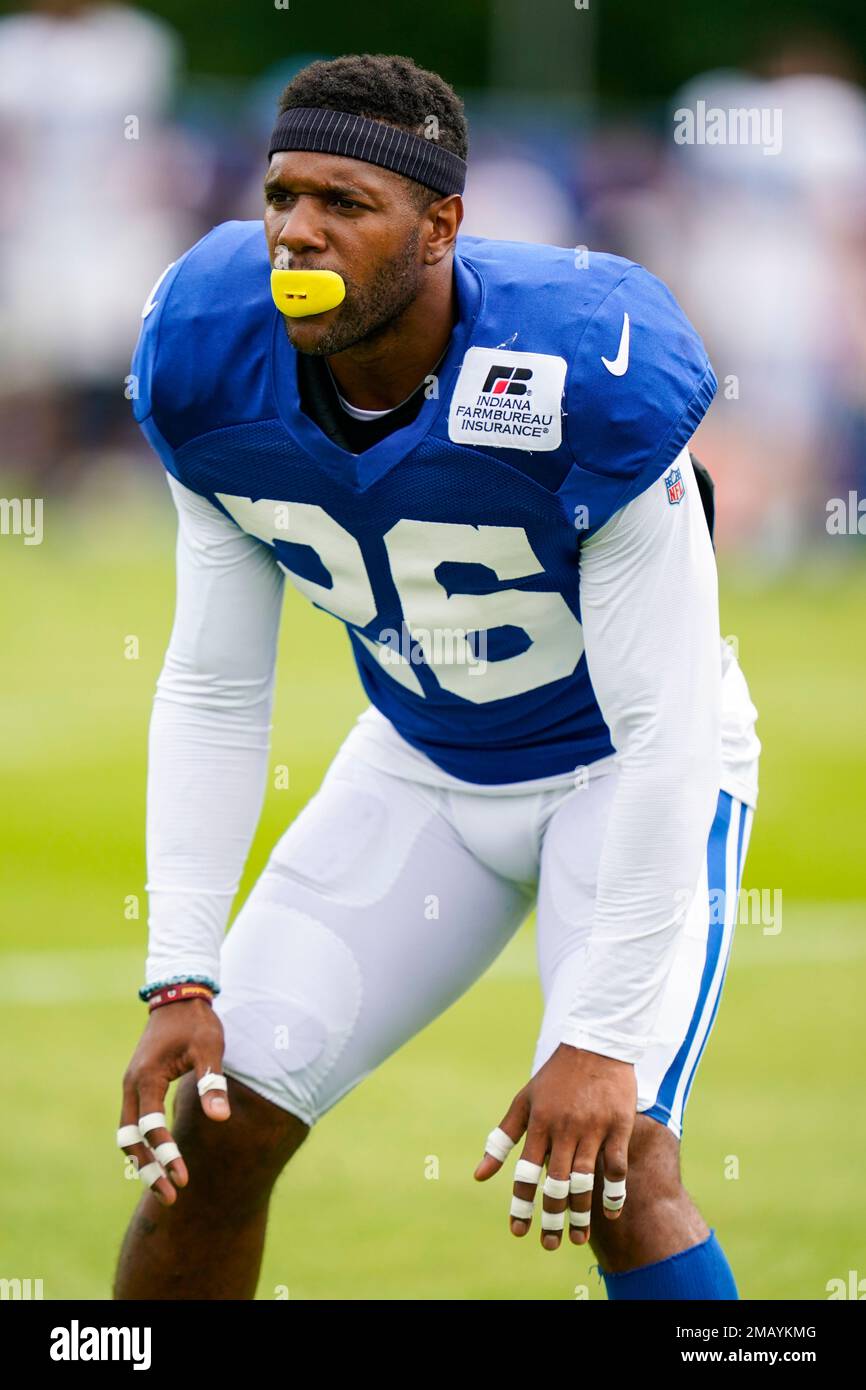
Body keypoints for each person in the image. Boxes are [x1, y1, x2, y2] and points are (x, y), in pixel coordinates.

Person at [114, 53, 760, 1301]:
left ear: (440, 227)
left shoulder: (578, 366)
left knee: (615, 1168)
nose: (297, 230)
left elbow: (663, 729)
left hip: (616, 776)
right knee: (219, 1128)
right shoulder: (208, 350)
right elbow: (209, 685)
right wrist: (182, 968)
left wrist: (599, 1034)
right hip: (419, 759)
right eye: (280, 196)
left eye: (343, 202)